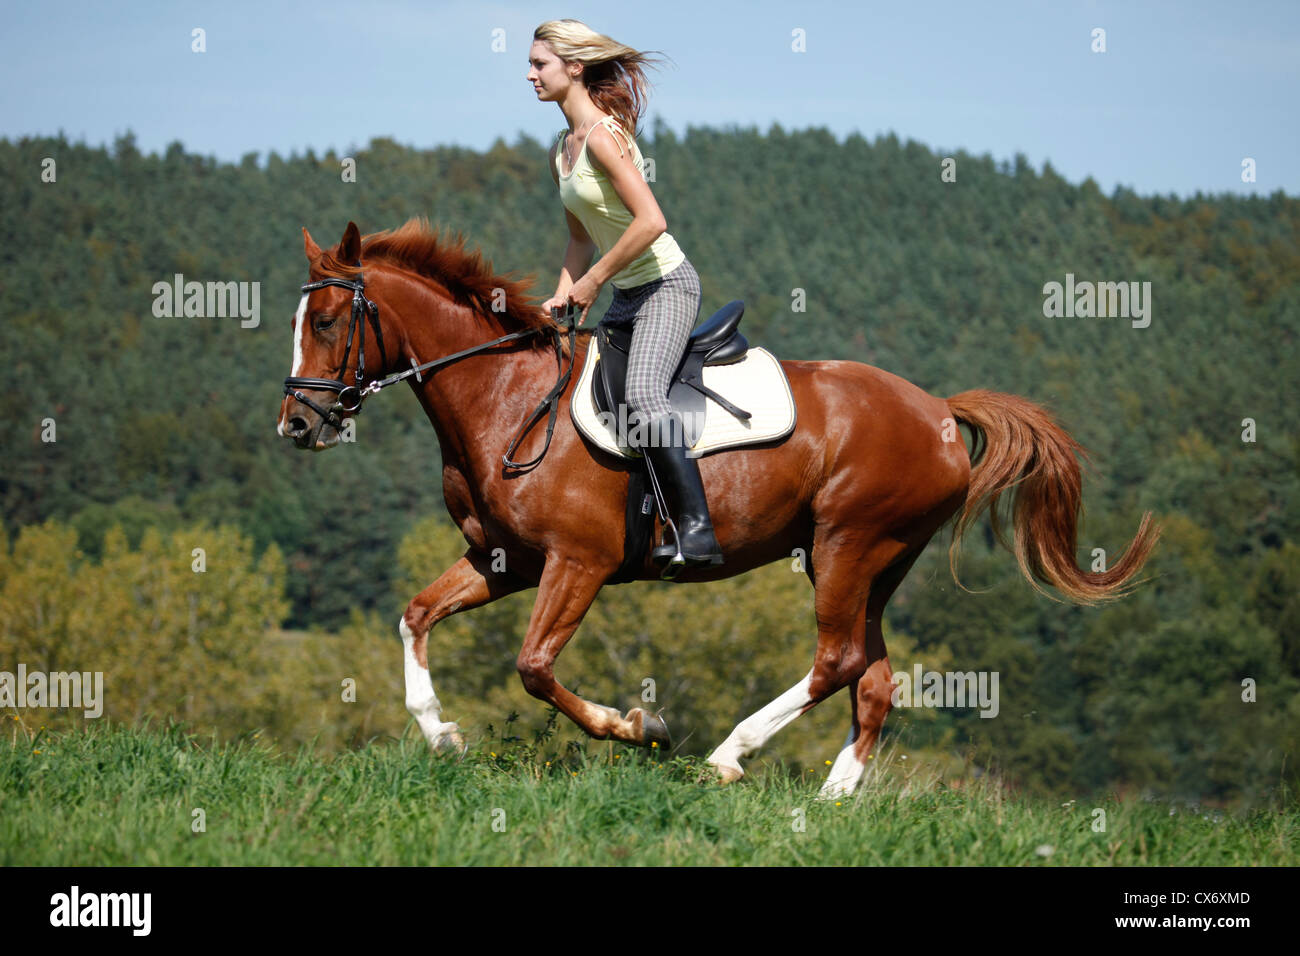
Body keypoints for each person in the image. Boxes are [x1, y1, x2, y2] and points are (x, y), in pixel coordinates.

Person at [528, 18, 723, 567]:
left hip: (666, 285)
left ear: (574, 68)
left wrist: (592, 282)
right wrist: (563, 292)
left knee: (642, 397)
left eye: (539, 64)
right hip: (627, 294)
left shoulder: (604, 138)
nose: (530, 74)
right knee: (585, 396)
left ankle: (698, 532)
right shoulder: (561, 151)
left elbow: (650, 222)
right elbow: (577, 237)